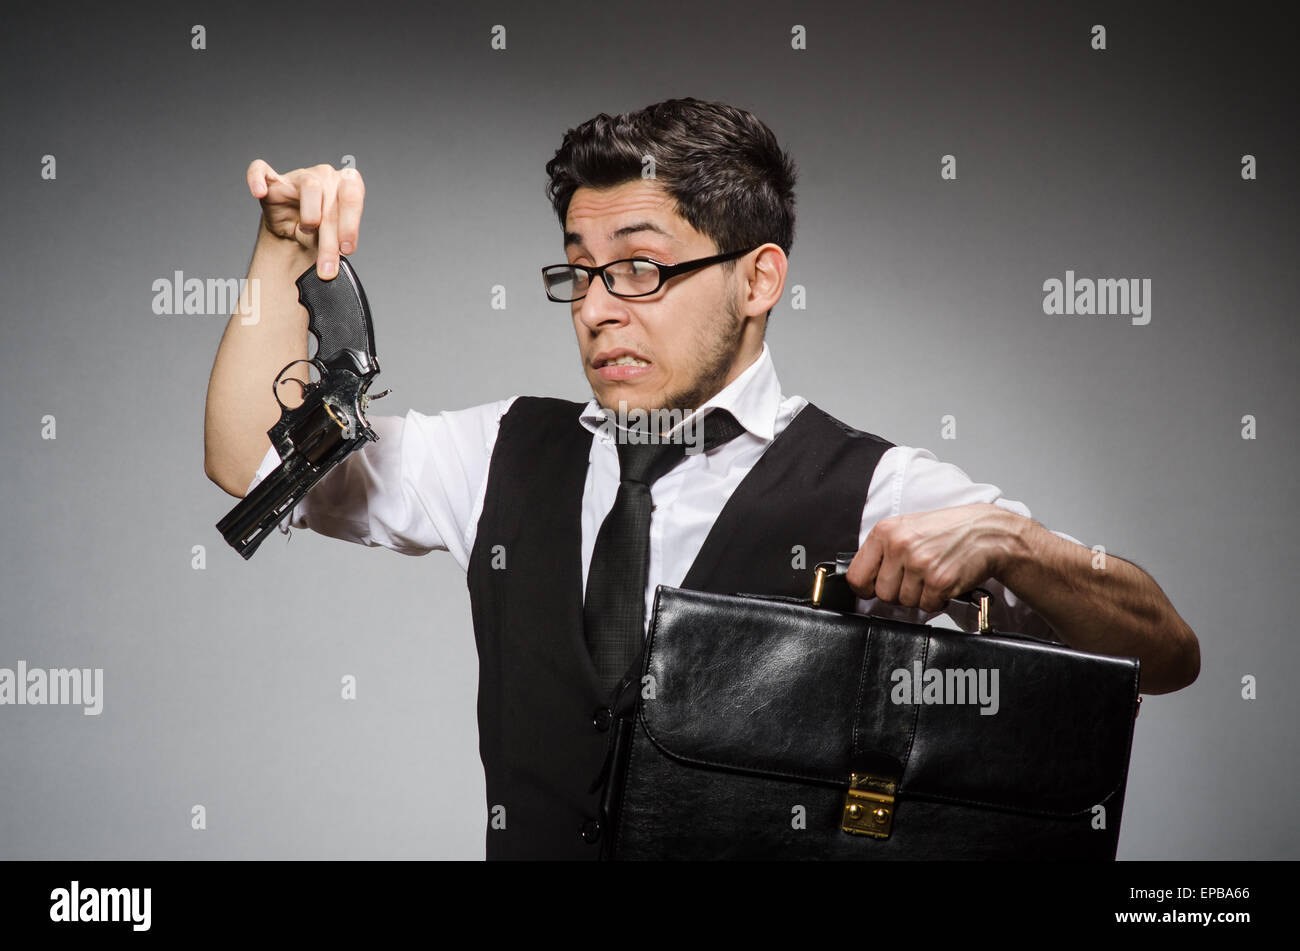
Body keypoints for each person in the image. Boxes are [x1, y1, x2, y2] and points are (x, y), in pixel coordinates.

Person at [204, 97, 1199, 860]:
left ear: (757, 279)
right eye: (577, 272)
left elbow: (1161, 653)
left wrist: (1011, 540)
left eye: (638, 268)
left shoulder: (877, 486)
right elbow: (250, 459)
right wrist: (285, 249)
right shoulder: (502, 449)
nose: (596, 309)